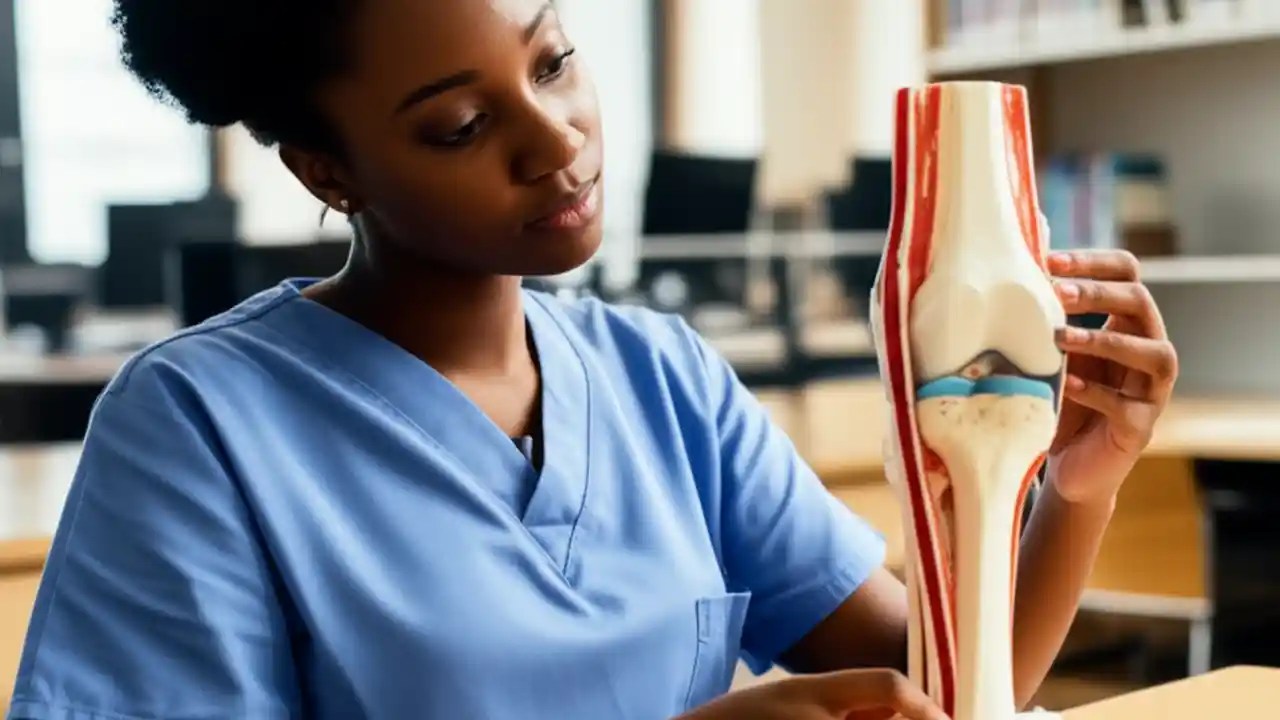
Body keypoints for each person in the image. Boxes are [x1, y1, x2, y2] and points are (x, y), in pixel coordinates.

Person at [7, 1, 1180, 719]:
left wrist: (1074, 481)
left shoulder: (658, 379)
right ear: (327, 171)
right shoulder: (196, 430)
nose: (554, 136)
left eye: (554, 60)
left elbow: (943, 686)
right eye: (461, 127)